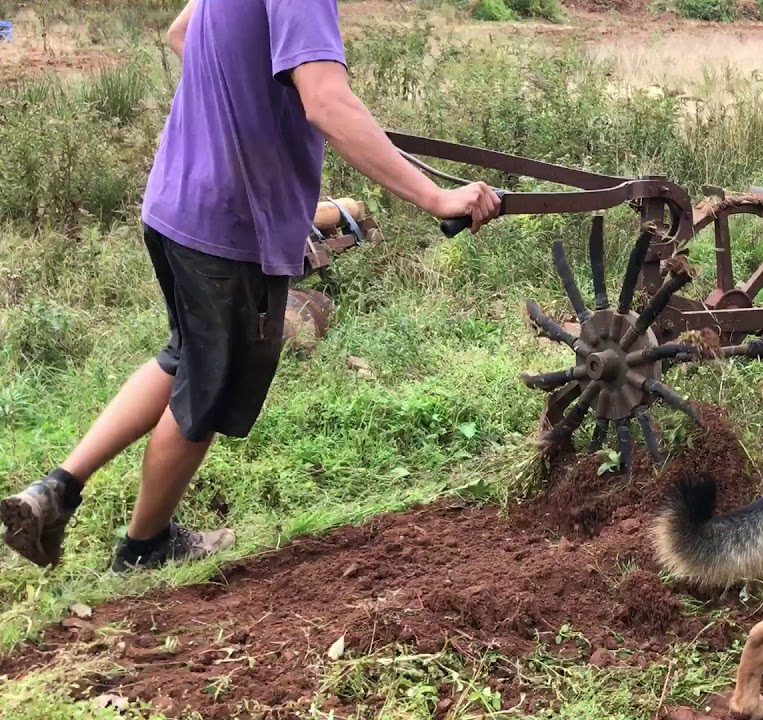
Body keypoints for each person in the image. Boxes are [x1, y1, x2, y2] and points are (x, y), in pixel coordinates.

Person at [0, 0, 502, 573]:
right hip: (225, 226)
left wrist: (247, 104)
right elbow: (327, 101)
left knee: (184, 355)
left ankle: (54, 491)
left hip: (176, 203)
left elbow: (181, 31)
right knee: (207, 392)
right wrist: (438, 197)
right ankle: (145, 548)